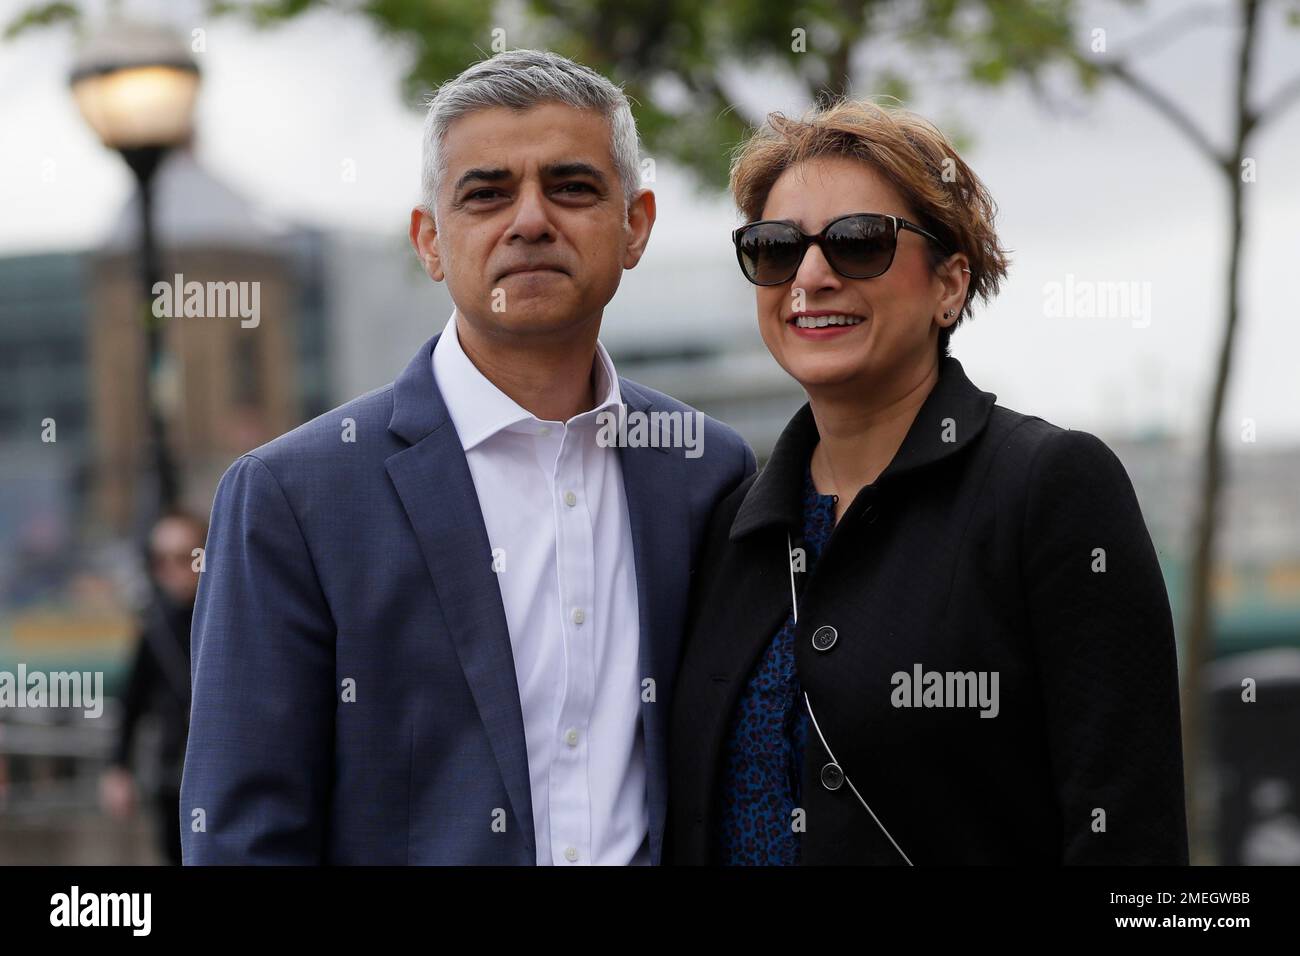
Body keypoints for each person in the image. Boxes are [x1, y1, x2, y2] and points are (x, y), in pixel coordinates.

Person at [181, 49, 754, 865]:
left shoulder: (705, 471)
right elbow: (243, 838)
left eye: (572, 187)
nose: (530, 220)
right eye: (486, 194)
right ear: (430, 240)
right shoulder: (292, 496)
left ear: (636, 225)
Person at [668, 100, 1188, 865]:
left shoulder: (1049, 489)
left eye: (857, 242)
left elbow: (1131, 839)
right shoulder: (732, 524)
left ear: (950, 283)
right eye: (777, 248)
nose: (810, 275)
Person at [101, 510, 206, 865]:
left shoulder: (229, 615)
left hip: (223, 772)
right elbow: (131, 700)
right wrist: (119, 768)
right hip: (172, 775)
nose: (169, 570)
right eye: (159, 560)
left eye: (182, 557)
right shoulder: (156, 625)